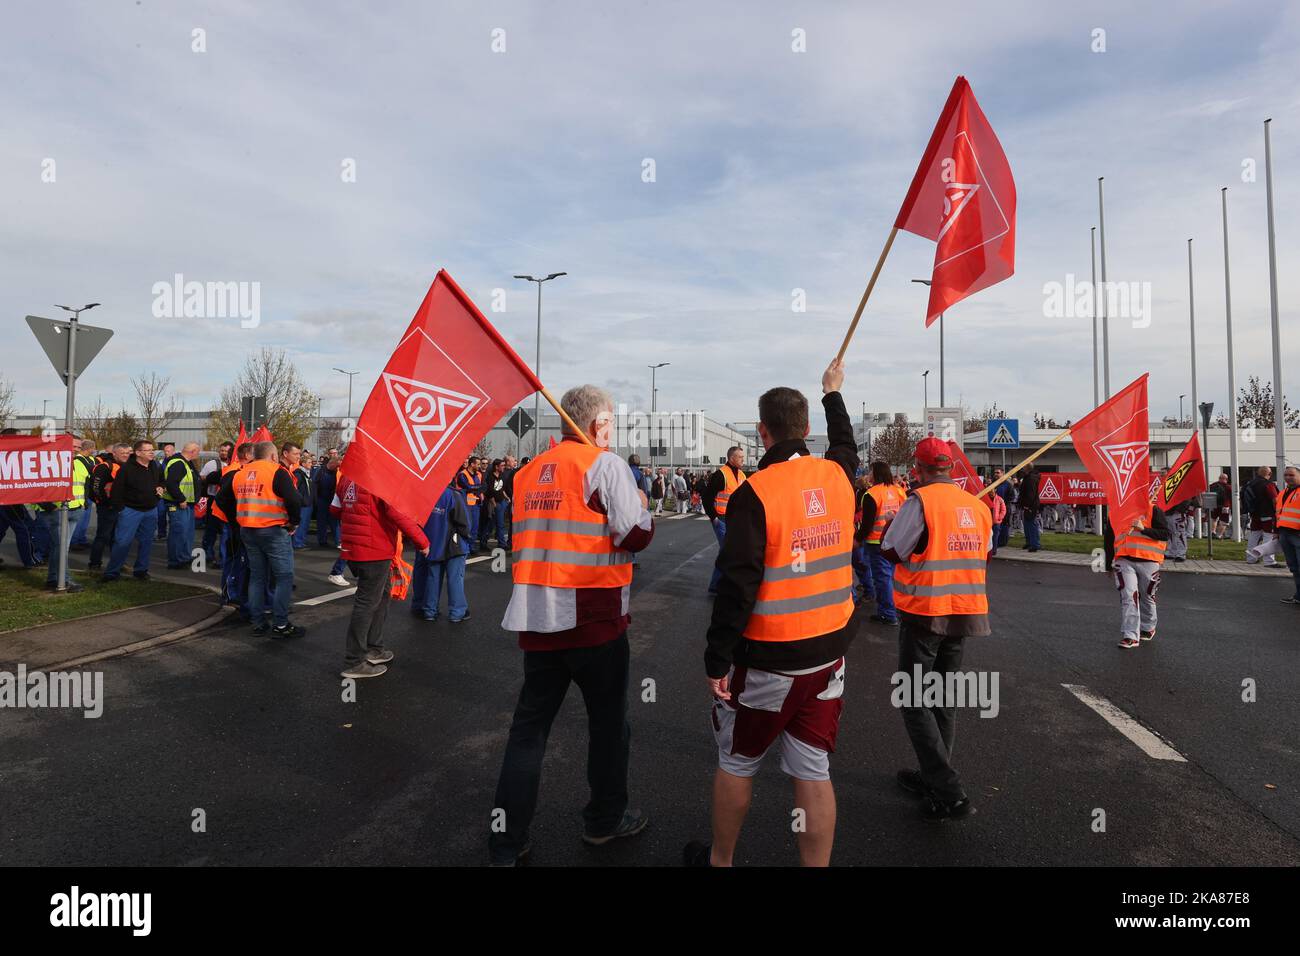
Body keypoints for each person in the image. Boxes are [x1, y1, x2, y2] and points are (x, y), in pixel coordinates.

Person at [684, 360, 857, 868]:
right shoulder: (839, 475)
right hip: (828, 658)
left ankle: (721, 860)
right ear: (806, 430)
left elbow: (737, 588)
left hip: (767, 663)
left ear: (762, 432)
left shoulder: (753, 494)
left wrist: (716, 660)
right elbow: (845, 443)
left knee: (737, 763)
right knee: (813, 770)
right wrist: (833, 393)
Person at [489, 384, 654, 867]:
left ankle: (505, 841)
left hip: (537, 617)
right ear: (600, 425)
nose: (614, 432)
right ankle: (604, 821)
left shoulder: (527, 473)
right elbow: (635, 535)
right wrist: (642, 506)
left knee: (528, 731)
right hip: (593, 617)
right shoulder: (605, 465)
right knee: (607, 726)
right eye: (613, 424)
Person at [881, 436, 992, 821]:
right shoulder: (977, 507)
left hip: (926, 612)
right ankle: (935, 776)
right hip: (964, 611)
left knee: (914, 700)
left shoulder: (920, 502)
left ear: (921, 468)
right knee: (942, 697)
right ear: (950, 467)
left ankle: (948, 787)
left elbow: (892, 549)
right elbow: (986, 550)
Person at [332, 472, 429, 678]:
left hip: (356, 547)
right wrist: (422, 541)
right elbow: (397, 514)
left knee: (381, 596)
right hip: (374, 549)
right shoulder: (381, 479)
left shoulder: (348, 478)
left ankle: (373, 648)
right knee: (367, 603)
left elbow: (334, 509)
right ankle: (354, 661)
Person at [233, 441, 303, 638]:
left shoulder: (240, 473)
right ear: (273, 456)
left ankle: (258, 623)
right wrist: (294, 522)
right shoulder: (277, 471)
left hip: (248, 529)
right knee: (284, 577)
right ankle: (281, 625)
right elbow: (294, 499)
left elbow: (228, 499)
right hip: (272, 529)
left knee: (257, 576)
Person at [1104, 505, 1169, 649]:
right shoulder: (1116, 511)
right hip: (1124, 560)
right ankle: (1130, 635)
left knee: (1147, 596)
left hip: (1149, 561)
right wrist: (1108, 564)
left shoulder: (1153, 510)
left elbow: (1165, 534)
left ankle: (1148, 627)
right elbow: (1109, 538)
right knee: (1129, 596)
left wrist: (1144, 529)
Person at [102, 440, 163, 581]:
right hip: (130, 511)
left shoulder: (154, 465)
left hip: (150, 511)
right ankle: (112, 572)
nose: (152, 452)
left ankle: (141, 570)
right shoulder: (127, 468)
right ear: (138, 453)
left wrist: (161, 487)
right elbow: (117, 490)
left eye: (152, 449)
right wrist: (121, 509)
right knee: (122, 542)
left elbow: (162, 480)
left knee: (146, 542)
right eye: (148, 450)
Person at [411, 480, 471, 622]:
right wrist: (468, 537)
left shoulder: (424, 494)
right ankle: (457, 612)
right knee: (455, 579)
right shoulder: (453, 495)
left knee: (433, 578)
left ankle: (430, 611)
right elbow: (464, 524)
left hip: (431, 542)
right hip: (452, 544)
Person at [34, 447, 91, 592]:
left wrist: (83, 502)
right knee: (61, 548)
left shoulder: (79, 463)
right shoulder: (49, 463)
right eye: (72, 446)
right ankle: (65, 580)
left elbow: (85, 484)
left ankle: (53, 579)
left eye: (78, 447)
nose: (75, 450)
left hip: (75, 510)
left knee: (58, 547)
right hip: (57, 512)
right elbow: (36, 485)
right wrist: (47, 506)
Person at [861, 460, 904, 625]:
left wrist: (857, 539)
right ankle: (894, 608)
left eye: (870, 471)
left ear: (876, 473)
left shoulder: (871, 494)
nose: (868, 475)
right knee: (892, 576)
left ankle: (887, 612)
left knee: (882, 578)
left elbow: (866, 524)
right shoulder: (899, 490)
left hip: (876, 542)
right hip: (895, 541)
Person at [702, 446, 747, 594]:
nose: (743, 459)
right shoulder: (720, 475)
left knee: (727, 551)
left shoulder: (742, 475)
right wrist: (714, 518)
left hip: (734, 520)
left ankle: (716, 585)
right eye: (740, 457)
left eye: (743, 457)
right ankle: (718, 585)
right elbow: (707, 497)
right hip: (721, 519)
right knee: (728, 551)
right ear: (731, 458)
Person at [161, 442, 201, 569]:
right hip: (178, 504)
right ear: (193, 451)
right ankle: (175, 561)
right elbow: (171, 483)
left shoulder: (185, 462)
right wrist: (181, 499)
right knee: (178, 532)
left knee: (187, 532)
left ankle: (184, 557)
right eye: (197, 452)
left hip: (186, 504)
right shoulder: (178, 463)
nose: (198, 455)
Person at [200, 441, 234, 564]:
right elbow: (203, 477)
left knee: (225, 531)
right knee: (211, 529)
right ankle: (207, 553)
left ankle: (223, 557)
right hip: (214, 499)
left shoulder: (234, 464)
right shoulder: (212, 464)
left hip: (227, 502)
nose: (224, 453)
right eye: (222, 450)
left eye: (226, 451)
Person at [1242, 466, 1280, 566]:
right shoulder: (1268, 484)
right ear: (1270, 474)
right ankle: (1269, 561)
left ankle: (1251, 558)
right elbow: (1275, 500)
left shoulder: (1249, 484)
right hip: (1268, 514)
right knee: (1269, 536)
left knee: (1254, 535)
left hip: (1254, 514)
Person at [1275, 466, 1300, 604]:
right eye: (1286, 475)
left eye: (1291, 475)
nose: (1288, 477)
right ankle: (1298, 596)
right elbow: (1278, 513)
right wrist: (1276, 531)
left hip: (1297, 534)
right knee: (1294, 567)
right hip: (1285, 533)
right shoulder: (1283, 492)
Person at [68, 440, 99, 550]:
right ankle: (75, 541)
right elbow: (91, 474)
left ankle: (80, 539)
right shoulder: (78, 460)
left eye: (78, 447)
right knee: (77, 522)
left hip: (85, 496)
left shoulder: (91, 459)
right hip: (76, 499)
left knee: (84, 520)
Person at [281, 443, 313, 550]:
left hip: (304, 504)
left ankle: (298, 542)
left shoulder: (295, 473)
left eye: (299, 454)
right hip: (278, 521)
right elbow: (293, 493)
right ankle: (297, 543)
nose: (298, 457)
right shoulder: (292, 473)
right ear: (285, 453)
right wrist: (302, 500)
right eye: (296, 454)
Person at [314, 448, 342, 547]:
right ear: (333, 464)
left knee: (334, 521)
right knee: (322, 520)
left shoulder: (337, 472)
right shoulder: (320, 470)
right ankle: (322, 541)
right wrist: (315, 499)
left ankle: (338, 541)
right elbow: (314, 484)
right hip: (322, 499)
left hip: (333, 499)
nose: (338, 467)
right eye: (337, 465)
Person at [456, 456, 484, 552]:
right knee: (467, 526)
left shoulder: (479, 474)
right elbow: (467, 487)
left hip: (476, 504)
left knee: (475, 527)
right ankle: (465, 547)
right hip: (466, 504)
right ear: (472, 464)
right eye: (478, 464)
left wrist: (477, 488)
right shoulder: (462, 475)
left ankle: (471, 547)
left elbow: (483, 486)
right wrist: (478, 487)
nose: (479, 466)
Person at [1018, 466, 1041, 552]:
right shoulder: (1028, 478)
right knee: (1027, 525)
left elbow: (1030, 494)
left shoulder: (1031, 479)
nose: (1022, 470)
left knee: (1031, 524)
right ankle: (1029, 542)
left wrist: (1027, 505)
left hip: (1031, 506)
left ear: (1027, 469)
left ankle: (1035, 544)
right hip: (1028, 505)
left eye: (1023, 468)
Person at [1211, 473, 1232, 538]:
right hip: (1225, 506)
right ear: (1226, 479)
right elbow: (1232, 497)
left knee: (1214, 519)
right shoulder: (1228, 487)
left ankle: (1213, 532)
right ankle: (1219, 535)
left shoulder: (1212, 485)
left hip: (1214, 505)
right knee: (1224, 521)